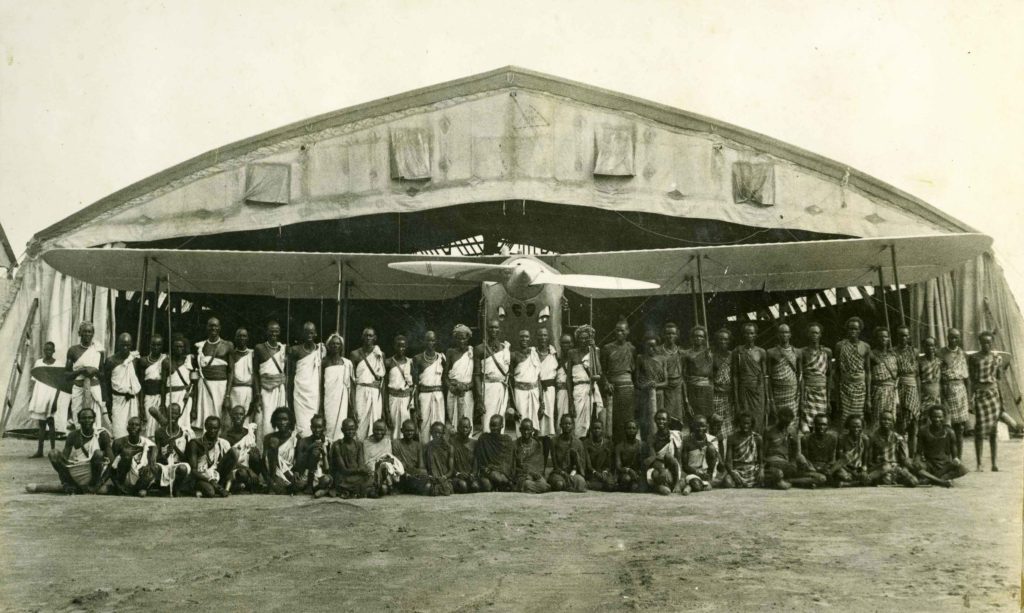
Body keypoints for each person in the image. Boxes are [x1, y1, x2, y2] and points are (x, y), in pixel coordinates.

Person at [48, 407, 112, 494]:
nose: (87, 420)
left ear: (94, 420)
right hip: (78, 469)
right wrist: (65, 482)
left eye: (90, 418)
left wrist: (100, 483)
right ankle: (72, 485)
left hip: (95, 472)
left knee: (98, 454)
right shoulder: (73, 435)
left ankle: (93, 486)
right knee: (53, 453)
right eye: (84, 418)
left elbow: (112, 461)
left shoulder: (102, 434)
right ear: (78, 420)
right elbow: (64, 461)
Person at [762, 407, 827, 489]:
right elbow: (763, 454)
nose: (785, 426)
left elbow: (797, 454)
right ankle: (795, 481)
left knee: (821, 478)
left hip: (789, 466)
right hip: (774, 463)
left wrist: (804, 464)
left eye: (788, 424)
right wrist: (762, 467)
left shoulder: (792, 431)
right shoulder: (769, 431)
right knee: (779, 473)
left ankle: (789, 481)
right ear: (778, 419)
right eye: (783, 423)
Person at [968, 331, 1005, 472]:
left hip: (993, 394)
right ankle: (979, 463)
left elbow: (999, 379)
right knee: (979, 429)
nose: (986, 345)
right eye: (984, 342)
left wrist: (1002, 400)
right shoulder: (974, 358)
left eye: (989, 342)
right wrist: (971, 398)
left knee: (994, 430)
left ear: (992, 342)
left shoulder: (997, 358)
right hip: (980, 395)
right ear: (980, 342)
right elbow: (971, 379)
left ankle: (994, 463)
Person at [193, 318, 235, 433]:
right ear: (207, 327)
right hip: (204, 386)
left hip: (220, 387)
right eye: (211, 326)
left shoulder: (227, 345)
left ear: (220, 327)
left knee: (220, 419)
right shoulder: (202, 346)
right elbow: (197, 371)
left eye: (216, 326)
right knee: (204, 419)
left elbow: (231, 371)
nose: (213, 328)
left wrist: (227, 395)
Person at [914, 405, 968, 486]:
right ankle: (941, 480)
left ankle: (930, 480)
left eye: (939, 417)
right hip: (929, 464)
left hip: (945, 465)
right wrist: (917, 462)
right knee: (911, 464)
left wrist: (956, 459)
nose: (937, 419)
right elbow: (919, 451)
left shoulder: (950, 432)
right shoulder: (923, 431)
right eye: (934, 417)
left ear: (944, 417)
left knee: (962, 469)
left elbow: (954, 455)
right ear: (929, 417)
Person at [253, 321, 288, 446]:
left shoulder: (283, 349)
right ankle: (263, 453)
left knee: (282, 421)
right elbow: (255, 373)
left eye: (276, 330)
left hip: (280, 390)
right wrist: (257, 395)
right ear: (266, 332)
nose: (274, 333)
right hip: (265, 391)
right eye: (271, 330)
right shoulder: (259, 348)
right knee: (266, 422)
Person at [475, 319, 512, 437]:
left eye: (496, 328)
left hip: (501, 388)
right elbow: (476, 375)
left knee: (500, 421)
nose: (493, 330)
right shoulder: (480, 349)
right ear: (487, 330)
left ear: (499, 330)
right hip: (487, 388)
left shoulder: (504, 348)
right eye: (491, 328)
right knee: (487, 422)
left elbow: (507, 374)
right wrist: (480, 399)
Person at [601, 319, 636, 443]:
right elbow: (602, 371)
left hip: (628, 389)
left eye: (622, 330)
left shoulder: (631, 348)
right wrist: (606, 383)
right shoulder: (607, 348)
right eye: (617, 330)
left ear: (628, 331)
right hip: (613, 389)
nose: (619, 333)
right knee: (614, 421)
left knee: (628, 421)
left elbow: (634, 371)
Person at [185, 415, 237, 497]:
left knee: (234, 452)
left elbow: (230, 465)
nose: (212, 431)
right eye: (210, 428)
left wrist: (225, 488)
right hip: (201, 477)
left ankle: (220, 486)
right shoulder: (195, 443)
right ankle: (195, 490)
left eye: (215, 428)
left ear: (219, 428)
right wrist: (211, 481)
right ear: (205, 427)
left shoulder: (222, 443)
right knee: (210, 492)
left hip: (216, 474)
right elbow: (194, 471)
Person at [66, 321, 106, 428]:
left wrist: (94, 371)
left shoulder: (98, 350)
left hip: (94, 389)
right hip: (78, 389)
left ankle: (94, 444)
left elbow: (102, 375)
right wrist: (81, 371)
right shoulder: (73, 350)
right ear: (79, 333)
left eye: (89, 332)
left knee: (95, 422)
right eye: (84, 331)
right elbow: (67, 375)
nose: (87, 334)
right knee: (78, 420)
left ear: (93, 334)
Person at [938, 328, 970, 458]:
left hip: (960, 390)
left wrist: (968, 395)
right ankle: (947, 456)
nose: (954, 340)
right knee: (946, 427)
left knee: (960, 428)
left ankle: (958, 458)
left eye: (956, 337)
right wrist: (942, 394)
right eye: (952, 337)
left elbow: (967, 378)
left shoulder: (963, 354)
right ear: (947, 337)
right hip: (947, 389)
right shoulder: (941, 353)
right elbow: (938, 376)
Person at [351, 328, 386, 442]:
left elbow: (382, 382)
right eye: (366, 335)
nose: (368, 338)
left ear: (375, 338)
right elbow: (352, 381)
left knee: (375, 423)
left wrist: (384, 406)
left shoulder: (380, 354)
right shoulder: (355, 354)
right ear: (362, 337)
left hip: (375, 393)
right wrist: (353, 406)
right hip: (361, 391)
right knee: (360, 423)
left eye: (371, 336)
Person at [288, 322, 323, 438]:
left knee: (314, 423)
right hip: (300, 393)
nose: (309, 335)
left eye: (312, 332)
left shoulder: (321, 350)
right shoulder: (295, 350)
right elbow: (291, 374)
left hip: (314, 394)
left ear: (316, 334)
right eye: (306, 332)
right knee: (302, 426)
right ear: (302, 334)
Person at [27, 341, 61, 458]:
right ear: (43, 350)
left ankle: (53, 451)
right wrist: (32, 396)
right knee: (41, 423)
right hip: (40, 394)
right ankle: (40, 450)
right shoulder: (38, 362)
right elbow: (34, 380)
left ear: (54, 350)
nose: (48, 352)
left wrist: (55, 400)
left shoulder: (58, 364)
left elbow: (59, 384)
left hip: (51, 394)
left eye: (50, 350)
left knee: (51, 422)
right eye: (46, 349)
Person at [568, 324, 603, 438]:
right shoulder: (572, 353)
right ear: (577, 339)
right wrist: (570, 400)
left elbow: (599, 371)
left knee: (593, 419)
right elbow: (568, 378)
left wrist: (593, 349)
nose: (583, 340)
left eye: (586, 338)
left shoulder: (594, 351)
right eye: (581, 338)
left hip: (591, 388)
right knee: (578, 422)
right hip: (578, 390)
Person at [732, 322, 768, 432]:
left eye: (752, 333)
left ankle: (758, 443)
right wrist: (736, 397)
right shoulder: (737, 352)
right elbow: (735, 376)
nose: (749, 336)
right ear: (743, 335)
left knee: (758, 419)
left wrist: (766, 396)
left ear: (756, 335)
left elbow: (764, 375)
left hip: (758, 391)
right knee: (745, 419)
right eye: (747, 333)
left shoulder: (761, 352)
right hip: (744, 389)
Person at [105, 332, 141, 439]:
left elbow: (137, 381)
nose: (125, 348)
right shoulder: (111, 361)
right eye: (123, 345)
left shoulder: (134, 360)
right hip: (118, 399)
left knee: (133, 430)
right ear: (117, 345)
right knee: (118, 431)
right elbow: (106, 383)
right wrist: (108, 402)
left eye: (128, 345)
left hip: (132, 400)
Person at [835, 317, 870, 427]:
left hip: (860, 388)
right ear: (847, 330)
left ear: (859, 330)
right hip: (845, 387)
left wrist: (868, 397)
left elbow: (868, 371)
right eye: (850, 329)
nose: (853, 331)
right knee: (845, 419)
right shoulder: (840, 346)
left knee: (859, 419)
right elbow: (836, 371)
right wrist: (837, 395)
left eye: (855, 329)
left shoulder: (865, 347)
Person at [866, 412, 917, 487]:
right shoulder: (872, 437)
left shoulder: (898, 438)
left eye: (889, 420)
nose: (886, 422)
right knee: (886, 471)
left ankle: (892, 478)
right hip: (880, 467)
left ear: (893, 422)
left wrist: (905, 469)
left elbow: (904, 458)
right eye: (884, 419)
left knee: (914, 481)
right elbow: (869, 459)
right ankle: (870, 479)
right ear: (879, 421)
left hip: (895, 467)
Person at [509, 330, 543, 441]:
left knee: (535, 423)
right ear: (518, 339)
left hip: (534, 392)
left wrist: (541, 401)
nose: (524, 339)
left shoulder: (535, 354)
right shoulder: (513, 355)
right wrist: (512, 405)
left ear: (530, 339)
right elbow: (510, 381)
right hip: (520, 393)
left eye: (526, 337)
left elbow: (538, 378)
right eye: (522, 337)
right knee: (521, 421)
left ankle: (534, 449)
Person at [152, 403, 193, 496]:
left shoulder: (185, 432)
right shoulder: (159, 432)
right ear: (166, 414)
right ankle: (163, 488)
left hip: (179, 465)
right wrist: (167, 453)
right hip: (165, 465)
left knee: (183, 468)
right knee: (154, 468)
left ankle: (176, 488)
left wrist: (175, 447)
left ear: (180, 414)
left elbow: (187, 458)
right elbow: (158, 458)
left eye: (175, 413)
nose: (172, 416)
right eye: (170, 413)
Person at [413, 331, 446, 444]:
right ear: (424, 341)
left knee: (439, 423)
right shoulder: (417, 359)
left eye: (432, 340)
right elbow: (415, 385)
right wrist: (416, 407)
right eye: (428, 340)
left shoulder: (441, 358)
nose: (430, 343)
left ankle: (438, 450)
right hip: (424, 396)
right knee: (424, 425)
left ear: (436, 341)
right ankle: (425, 450)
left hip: (438, 396)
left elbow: (444, 380)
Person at [110, 416, 157, 497]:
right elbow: (112, 467)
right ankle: (125, 489)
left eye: (136, 425)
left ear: (141, 427)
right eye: (131, 425)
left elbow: (153, 463)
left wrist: (148, 466)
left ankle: (135, 490)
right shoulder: (118, 443)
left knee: (150, 470)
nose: (134, 427)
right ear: (127, 427)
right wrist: (117, 485)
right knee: (126, 455)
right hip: (124, 478)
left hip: (140, 477)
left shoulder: (149, 444)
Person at [893, 325, 921, 454]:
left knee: (914, 422)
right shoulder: (893, 352)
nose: (903, 338)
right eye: (901, 335)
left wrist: (919, 395)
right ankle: (901, 454)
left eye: (906, 335)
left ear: (909, 337)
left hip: (913, 388)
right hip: (900, 387)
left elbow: (918, 375)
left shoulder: (914, 352)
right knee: (901, 421)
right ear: (897, 337)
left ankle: (913, 454)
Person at [798, 323, 832, 433]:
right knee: (806, 427)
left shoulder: (827, 352)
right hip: (808, 392)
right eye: (812, 332)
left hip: (822, 392)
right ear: (808, 334)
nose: (814, 335)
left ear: (820, 335)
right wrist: (802, 399)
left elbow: (829, 375)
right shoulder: (802, 352)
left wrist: (828, 399)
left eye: (816, 332)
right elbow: (801, 376)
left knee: (821, 423)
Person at [222, 404, 263, 493]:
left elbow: (252, 453)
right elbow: (228, 461)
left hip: (248, 465)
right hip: (234, 467)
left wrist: (256, 453)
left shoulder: (249, 433)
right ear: (231, 417)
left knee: (255, 456)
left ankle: (250, 484)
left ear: (245, 417)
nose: (238, 417)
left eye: (241, 414)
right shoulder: (225, 436)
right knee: (242, 474)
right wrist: (249, 470)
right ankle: (242, 485)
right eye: (235, 414)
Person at [329, 418, 373, 498]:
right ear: (342, 430)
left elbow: (360, 463)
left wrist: (364, 470)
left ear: (356, 429)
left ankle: (349, 492)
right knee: (342, 481)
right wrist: (360, 470)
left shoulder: (358, 444)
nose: (350, 432)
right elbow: (343, 469)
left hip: (356, 475)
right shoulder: (337, 445)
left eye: (352, 429)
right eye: (347, 430)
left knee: (370, 477)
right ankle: (352, 491)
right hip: (344, 476)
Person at [321, 333, 353, 442]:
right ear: (328, 346)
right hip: (329, 400)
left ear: (341, 346)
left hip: (342, 400)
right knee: (329, 424)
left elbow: (350, 387)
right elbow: (320, 384)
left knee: (341, 424)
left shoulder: (347, 363)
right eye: (333, 344)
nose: (335, 346)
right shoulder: (324, 362)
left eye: (338, 344)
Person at [766, 324, 800, 427]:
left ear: (790, 335)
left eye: (786, 332)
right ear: (777, 335)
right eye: (781, 332)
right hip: (777, 393)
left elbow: (800, 375)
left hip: (792, 393)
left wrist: (798, 394)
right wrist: (771, 399)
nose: (784, 335)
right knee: (778, 421)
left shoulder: (797, 352)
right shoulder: (770, 352)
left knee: (791, 422)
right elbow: (768, 377)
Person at [161, 334, 195, 433]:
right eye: (176, 346)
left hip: (185, 396)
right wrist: (163, 405)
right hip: (170, 395)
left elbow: (194, 384)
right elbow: (163, 384)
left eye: (181, 346)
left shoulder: (189, 361)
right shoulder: (166, 362)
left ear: (184, 348)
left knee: (184, 425)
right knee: (170, 423)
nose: (178, 349)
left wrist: (194, 407)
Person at [636, 335, 667, 440]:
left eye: (653, 346)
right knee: (645, 421)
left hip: (659, 395)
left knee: (660, 420)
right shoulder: (640, 358)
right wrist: (646, 386)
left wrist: (655, 385)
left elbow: (666, 382)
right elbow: (637, 382)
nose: (651, 348)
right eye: (648, 346)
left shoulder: (662, 359)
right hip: (645, 396)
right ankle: (645, 446)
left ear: (658, 346)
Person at [866, 327, 898, 429]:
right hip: (878, 391)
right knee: (878, 420)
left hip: (892, 391)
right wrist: (868, 397)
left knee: (891, 419)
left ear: (888, 338)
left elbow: (898, 375)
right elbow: (869, 374)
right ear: (876, 339)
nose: (883, 339)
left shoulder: (893, 354)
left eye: (885, 336)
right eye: (880, 337)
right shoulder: (871, 354)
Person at [263, 407, 301, 495]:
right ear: (274, 422)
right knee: (274, 441)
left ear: (290, 421)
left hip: (288, 472)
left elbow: (298, 459)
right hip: (272, 472)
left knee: (297, 483)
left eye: (285, 419)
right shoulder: (268, 438)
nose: (282, 422)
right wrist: (268, 479)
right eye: (279, 420)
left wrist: (296, 472)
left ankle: (284, 486)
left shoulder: (295, 438)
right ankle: (273, 483)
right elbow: (264, 460)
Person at [445, 324, 475, 431]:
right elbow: (445, 376)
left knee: (466, 421)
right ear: (455, 338)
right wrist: (451, 387)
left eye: (464, 338)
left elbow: (475, 376)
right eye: (458, 338)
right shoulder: (450, 352)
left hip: (466, 392)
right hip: (453, 392)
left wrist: (466, 387)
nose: (461, 341)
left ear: (468, 338)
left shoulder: (472, 353)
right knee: (452, 423)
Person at [294, 414, 333, 497]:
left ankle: (317, 488)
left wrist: (324, 454)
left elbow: (327, 469)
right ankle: (316, 488)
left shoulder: (327, 443)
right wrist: (309, 449)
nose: (317, 430)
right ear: (311, 427)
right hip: (306, 474)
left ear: (324, 428)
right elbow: (298, 463)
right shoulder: (303, 441)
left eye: (320, 427)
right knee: (297, 484)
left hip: (320, 475)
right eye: (314, 427)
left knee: (327, 480)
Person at [384, 335, 415, 439]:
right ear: (394, 346)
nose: (401, 349)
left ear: (406, 347)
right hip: (393, 399)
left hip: (406, 400)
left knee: (406, 427)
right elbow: (384, 387)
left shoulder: (410, 362)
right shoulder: (388, 362)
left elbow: (414, 386)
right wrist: (386, 410)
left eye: (403, 346)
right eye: (398, 346)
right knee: (393, 427)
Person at [720, 413, 762, 489]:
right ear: (739, 423)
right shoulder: (732, 438)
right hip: (738, 470)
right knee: (727, 482)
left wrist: (761, 470)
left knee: (773, 476)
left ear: (751, 424)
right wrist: (733, 474)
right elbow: (728, 461)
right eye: (743, 423)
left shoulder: (757, 438)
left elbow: (761, 460)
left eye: (748, 423)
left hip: (753, 470)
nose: (745, 426)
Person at [644, 410, 682, 494]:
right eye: (658, 419)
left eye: (664, 419)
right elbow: (653, 458)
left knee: (669, 457)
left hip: (673, 467)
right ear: (655, 421)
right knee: (655, 474)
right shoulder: (652, 438)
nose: (661, 421)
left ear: (668, 421)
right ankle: (659, 487)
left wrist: (678, 482)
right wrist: (662, 470)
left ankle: (675, 484)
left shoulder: (674, 436)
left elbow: (678, 459)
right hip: (658, 467)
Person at [475, 414, 515, 492]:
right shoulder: (484, 438)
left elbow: (508, 462)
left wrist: (498, 470)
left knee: (500, 478)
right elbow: (479, 459)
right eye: (491, 425)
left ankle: (500, 484)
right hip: (488, 471)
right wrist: (486, 469)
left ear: (502, 426)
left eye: (496, 426)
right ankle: (501, 485)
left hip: (502, 472)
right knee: (488, 485)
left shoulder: (507, 440)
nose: (493, 428)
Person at [136, 334, 165, 439]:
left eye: (158, 345)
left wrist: (163, 403)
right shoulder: (143, 361)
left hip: (161, 398)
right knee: (149, 426)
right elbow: (141, 385)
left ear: (162, 346)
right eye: (153, 344)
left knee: (160, 425)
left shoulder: (165, 360)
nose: (156, 347)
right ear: (150, 345)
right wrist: (141, 405)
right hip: (148, 397)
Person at [548, 414, 588, 492]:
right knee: (559, 484)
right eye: (564, 424)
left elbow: (581, 464)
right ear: (560, 425)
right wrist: (564, 474)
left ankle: (569, 485)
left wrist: (572, 473)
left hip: (573, 473)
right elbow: (555, 465)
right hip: (559, 473)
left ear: (573, 426)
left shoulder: (578, 443)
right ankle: (568, 485)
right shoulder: (554, 441)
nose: (567, 426)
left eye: (569, 424)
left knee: (581, 483)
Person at [680, 416, 719, 495]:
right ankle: (691, 485)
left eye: (703, 426)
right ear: (693, 427)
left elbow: (716, 459)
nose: (700, 429)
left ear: (707, 427)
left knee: (711, 448)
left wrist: (708, 474)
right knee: (697, 486)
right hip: (692, 472)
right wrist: (697, 473)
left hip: (707, 473)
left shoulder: (711, 440)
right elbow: (685, 466)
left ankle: (707, 481)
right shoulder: (687, 442)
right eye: (697, 426)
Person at [363, 419, 403, 497]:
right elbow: (367, 461)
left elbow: (389, 457)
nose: (379, 432)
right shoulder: (366, 442)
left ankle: (384, 485)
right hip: (372, 470)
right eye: (376, 430)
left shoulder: (387, 442)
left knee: (387, 466)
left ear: (385, 431)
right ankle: (385, 486)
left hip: (385, 469)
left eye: (381, 430)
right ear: (372, 430)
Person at [393, 419, 432, 495]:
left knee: (423, 472)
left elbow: (421, 466)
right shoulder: (396, 443)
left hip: (414, 473)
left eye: (412, 431)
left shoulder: (418, 445)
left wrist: (415, 472)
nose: (409, 433)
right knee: (399, 473)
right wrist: (408, 472)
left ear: (415, 431)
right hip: (402, 473)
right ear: (402, 430)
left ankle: (411, 487)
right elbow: (399, 464)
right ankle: (412, 487)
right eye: (407, 430)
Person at [658, 322, 687, 425]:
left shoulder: (681, 352)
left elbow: (684, 371)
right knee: (664, 417)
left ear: (677, 335)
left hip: (677, 387)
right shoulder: (658, 351)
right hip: (663, 388)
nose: (670, 336)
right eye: (668, 333)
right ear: (663, 335)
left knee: (677, 418)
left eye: (673, 333)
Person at [682, 326, 713, 420]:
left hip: (706, 390)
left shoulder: (709, 353)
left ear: (704, 338)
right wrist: (686, 398)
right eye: (695, 336)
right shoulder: (687, 354)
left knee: (707, 418)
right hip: (693, 389)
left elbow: (712, 374)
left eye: (701, 336)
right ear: (691, 338)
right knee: (693, 418)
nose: (698, 338)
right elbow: (683, 375)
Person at [512, 418, 550, 493]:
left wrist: (536, 473)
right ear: (520, 429)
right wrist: (527, 473)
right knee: (527, 483)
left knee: (545, 486)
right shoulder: (515, 444)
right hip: (522, 476)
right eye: (524, 429)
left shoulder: (538, 444)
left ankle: (529, 488)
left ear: (532, 430)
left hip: (536, 474)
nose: (526, 432)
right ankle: (529, 488)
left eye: (528, 430)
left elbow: (540, 464)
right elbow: (513, 466)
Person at [710, 329, 735, 442]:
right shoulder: (712, 357)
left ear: (729, 341)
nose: (723, 341)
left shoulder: (733, 355)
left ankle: (727, 450)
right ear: (716, 341)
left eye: (725, 339)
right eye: (720, 339)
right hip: (717, 395)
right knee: (717, 423)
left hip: (730, 395)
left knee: (730, 424)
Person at [800, 414, 838, 485]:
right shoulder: (806, 439)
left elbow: (832, 458)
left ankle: (813, 482)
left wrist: (826, 467)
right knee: (821, 478)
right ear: (814, 425)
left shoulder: (832, 439)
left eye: (824, 425)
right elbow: (805, 458)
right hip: (811, 468)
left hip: (826, 468)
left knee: (841, 475)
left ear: (828, 426)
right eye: (819, 424)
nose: (821, 427)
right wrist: (815, 468)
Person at [833, 416, 871, 487]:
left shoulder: (865, 439)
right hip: (845, 468)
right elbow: (840, 461)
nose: (856, 429)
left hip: (858, 469)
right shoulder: (842, 439)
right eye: (853, 427)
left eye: (859, 427)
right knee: (840, 472)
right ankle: (857, 482)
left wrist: (863, 470)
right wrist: (852, 472)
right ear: (848, 427)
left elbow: (865, 459)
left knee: (866, 476)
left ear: (862, 427)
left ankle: (847, 484)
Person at [534, 328, 558, 437]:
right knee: (537, 416)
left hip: (550, 390)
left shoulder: (553, 353)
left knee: (549, 418)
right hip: (535, 389)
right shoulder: (533, 353)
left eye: (545, 335)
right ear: (537, 337)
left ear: (548, 337)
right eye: (540, 335)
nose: (542, 338)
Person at [614, 420, 648, 492]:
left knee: (640, 488)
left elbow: (645, 463)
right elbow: (618, 466)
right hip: (625, 474)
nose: (631, 430)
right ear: (625, 430)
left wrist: (639, 473)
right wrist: (629, 470)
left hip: (638, 474)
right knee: (626, 479)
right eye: (629, 428)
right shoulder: (619, 447)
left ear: (637, 430)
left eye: (633, 428)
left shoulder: (642, 445)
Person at [582, 419, 616, 491]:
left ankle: (594, 485)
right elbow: (588, 465)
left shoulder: (608, 443)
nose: (597, 430)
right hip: (592, 472)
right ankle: (590, 483)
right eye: (595, 428)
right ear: (591, 430)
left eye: (599, 428)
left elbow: (610, 463)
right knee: (604, 484)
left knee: (611, 486)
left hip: (603, 472)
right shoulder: (586, 443)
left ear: (603, 430)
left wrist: (605, 471)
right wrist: (595, 473)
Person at [423, 421, 455, 497]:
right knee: (427, 488)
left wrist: (444, 477)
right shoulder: (427, 447)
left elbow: (451, 470)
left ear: (443, 433)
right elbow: (425, 467)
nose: (437, 435)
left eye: (439, 433)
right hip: (432, 478)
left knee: (445, 487)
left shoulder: (449, 448)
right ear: (431, 433)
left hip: (445, 478)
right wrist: (430, 476)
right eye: (435, 432)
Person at [450, 417, 481, 493]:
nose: (465, 430)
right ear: (458, 428)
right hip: (457, 476)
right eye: (462, 427)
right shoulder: (452, 443)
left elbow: (476, 462)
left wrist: (473, 475)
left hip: (470, 476)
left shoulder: (475, 443)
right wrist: (458, 474)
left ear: (470, 428)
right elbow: (449, 463)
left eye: (467, 427)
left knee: (475, 486)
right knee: (463, 485)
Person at [229, 327, 255, 419]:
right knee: (234, 418)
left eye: (244, 336)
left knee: (247, 419)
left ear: (248, 338)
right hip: (234, 392)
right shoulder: (232, 354)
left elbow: (254, 375)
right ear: (235, 338)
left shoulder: (252, 354)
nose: (242, 338)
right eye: (239, 336)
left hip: (248, 391)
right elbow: (230, 375)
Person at [554, 333, 574, 429]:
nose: (566, 345)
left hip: (572, 393)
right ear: (560, 345)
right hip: (560, 393)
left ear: (572, 344)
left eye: (568, 343)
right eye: (563, 343)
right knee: (560, 419)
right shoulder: (557, 360)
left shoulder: (575, 360)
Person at [918, 336, 942, 411]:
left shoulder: (940, 362)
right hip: (924, 394)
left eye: (932, 345)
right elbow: (918, 379)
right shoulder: (920, 362)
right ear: (923, 347)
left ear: (935, 346)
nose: (930, 348)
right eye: (927, 345)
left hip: (937, 394)